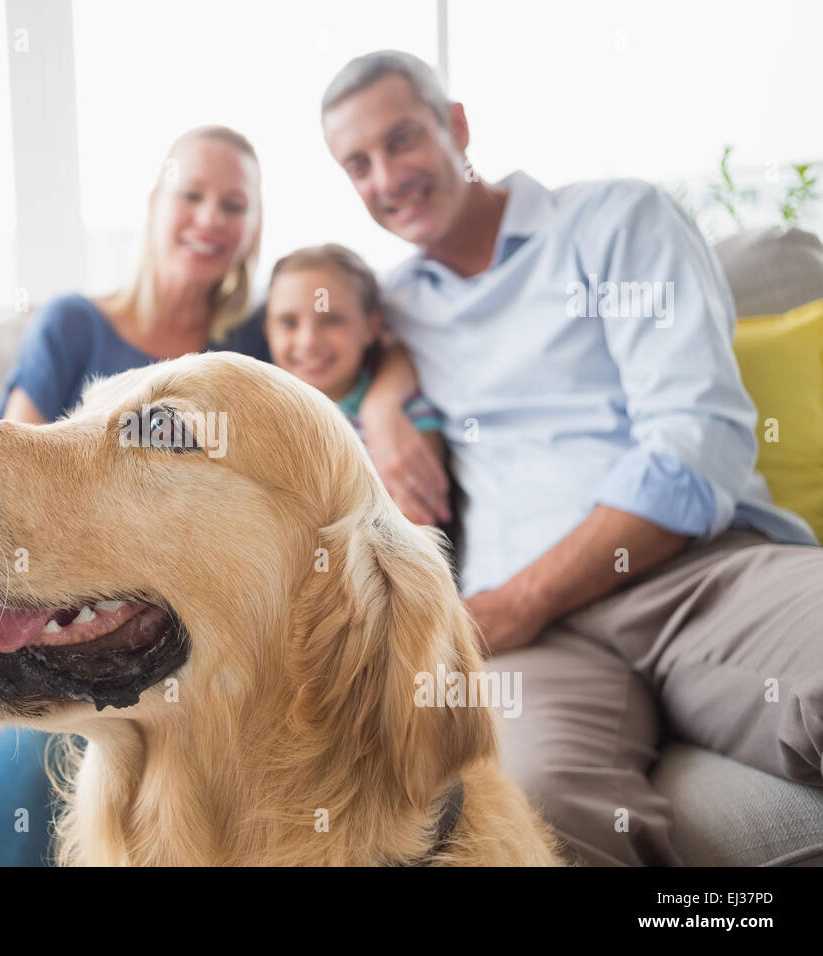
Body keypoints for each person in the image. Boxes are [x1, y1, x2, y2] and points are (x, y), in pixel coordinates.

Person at [0, 124, 439, 865]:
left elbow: (359, 355)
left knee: (15, 773)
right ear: (154, 204)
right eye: (191, 195)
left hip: (112, 613)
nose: (209, 218)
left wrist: (386, 401)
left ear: (253, 228)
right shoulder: (75, 320)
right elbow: (18, 460)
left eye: (233, 205)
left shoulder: (261, 350)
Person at [317, 49, 823, 865]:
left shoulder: (618, 221)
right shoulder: (392, 307)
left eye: (402, 139)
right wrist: (386, 400)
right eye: (358, 163)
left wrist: (519, 600)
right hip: (543, 646)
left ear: (456, 126)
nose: (387, 177)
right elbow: (317, 368)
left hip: (692, 572)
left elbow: (697, 440)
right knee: (533, 814)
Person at [262, 242, 444, 453]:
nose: (308, 341)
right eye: (288, 322)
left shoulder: (406, 414)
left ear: (371, 327)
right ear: (267, 329)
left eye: (331, 320)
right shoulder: (253, 416)